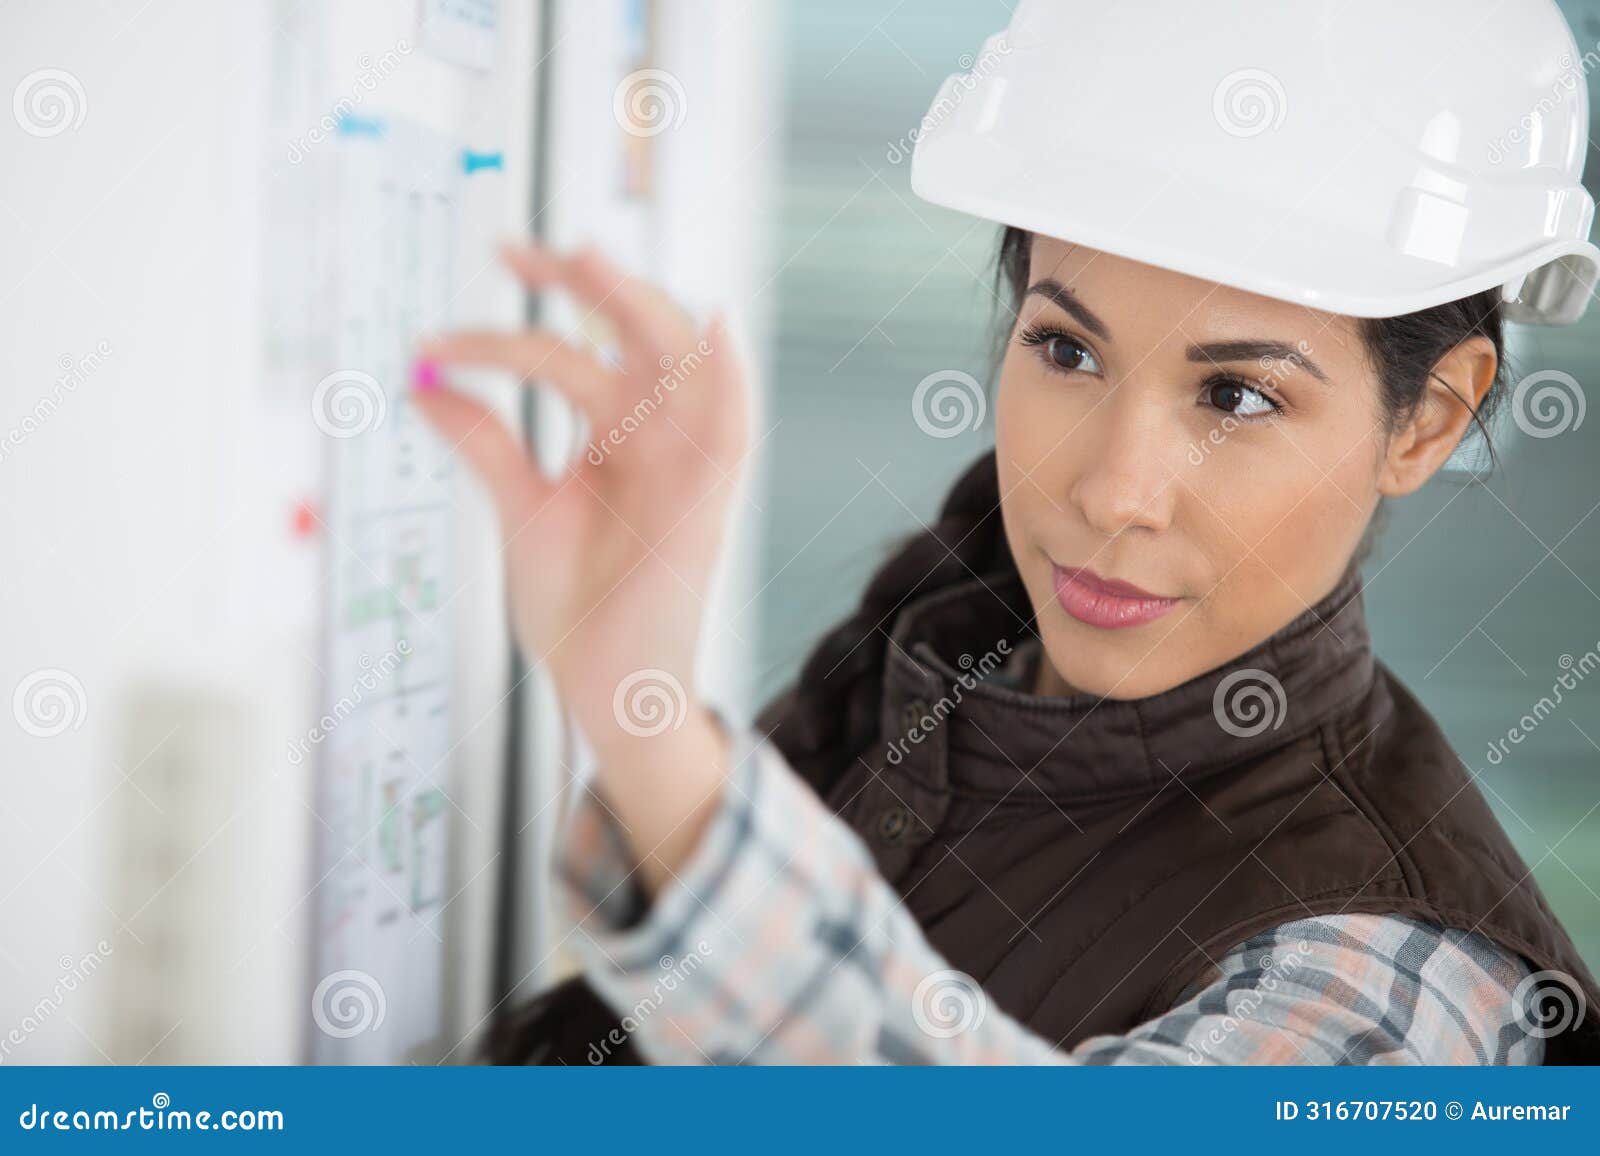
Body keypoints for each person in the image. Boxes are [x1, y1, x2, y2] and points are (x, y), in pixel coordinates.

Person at [414, 0, 1600, 1065]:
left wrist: (657, 734)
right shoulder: (924, 679)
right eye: (1066, 349)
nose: (1113, 491)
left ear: (1425, 420)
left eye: (1235, 395)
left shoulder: (1396, 979)